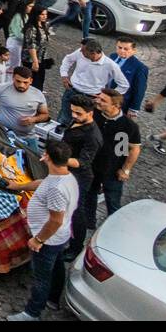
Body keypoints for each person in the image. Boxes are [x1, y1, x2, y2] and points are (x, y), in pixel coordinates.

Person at [6, 141, 79, 321]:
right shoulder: (64, 176)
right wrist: (17, 187)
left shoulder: (57, 189)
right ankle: (53, 299)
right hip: (60, 237)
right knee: (57, 266)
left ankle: (32, 313)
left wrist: (38, 240)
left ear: (46, 156)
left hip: (49, 240)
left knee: (41, 278)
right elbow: (42, 183)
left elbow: (55, 220)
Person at [67, 87, 141, 259]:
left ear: (115, 105)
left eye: (103, 100)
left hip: (112, 173)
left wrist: (125, 169)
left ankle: (114, 235)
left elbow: (130, 150)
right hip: (91, 170)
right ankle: (89, 225)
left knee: (113, 203)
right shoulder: (95, 117)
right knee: (88, 201)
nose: (98, 102)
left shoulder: (127, 126)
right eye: (99, 99)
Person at [57, 37, 129, 125]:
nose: (80, 52)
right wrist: (64, 75)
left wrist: (106, 97)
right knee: (64, 119)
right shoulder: (80, 53)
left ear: (93, 53)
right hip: (72, 91)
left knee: (84, 123)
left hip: (90, 99)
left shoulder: (110, 65)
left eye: (83, 51)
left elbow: (124, 85)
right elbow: (68, 59)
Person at [0, 66, 50, 133]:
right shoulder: (0, 89)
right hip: (3, 133)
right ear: (13, 78)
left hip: (28, 136)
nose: (21, 85)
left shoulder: (38, 94)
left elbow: (45, 115)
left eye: (25, 82)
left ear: (31, 81)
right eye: (18, 81)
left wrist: (33, 119)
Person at [110, 38, 149, 117]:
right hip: (106, 97)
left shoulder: (139, 67)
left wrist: (134, 108)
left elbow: (139, 89)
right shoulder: (112, 56)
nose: (122, 51)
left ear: (134, 50)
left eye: (126, 49)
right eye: (119, 47)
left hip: (122, 102)